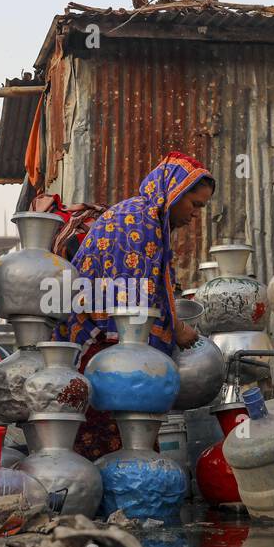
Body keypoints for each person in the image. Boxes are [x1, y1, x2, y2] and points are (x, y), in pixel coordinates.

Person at [56, 151, 215, 459]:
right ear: (174, 192)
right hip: (102, 346)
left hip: (109, 347)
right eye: (194, 204)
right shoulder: (138, 225)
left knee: (131, 441)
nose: (196, 214)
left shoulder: (150, 221)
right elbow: (130, 310)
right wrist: (177, 331)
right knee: (114, 435)